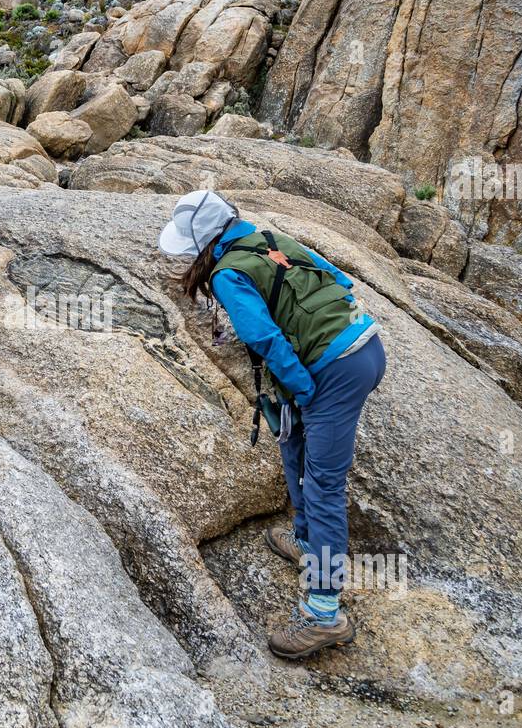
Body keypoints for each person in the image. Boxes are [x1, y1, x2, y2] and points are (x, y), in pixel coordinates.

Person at [159, 189, 387, 659]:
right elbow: (339, 282)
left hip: (336, 368)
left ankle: (324, 614)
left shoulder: (227, 273)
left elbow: (262, 335)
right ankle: (305, 539)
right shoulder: (268, 238)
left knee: (324, 484)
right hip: (363, 345)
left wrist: (303, 387)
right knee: (290, 434)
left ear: (204, 243)